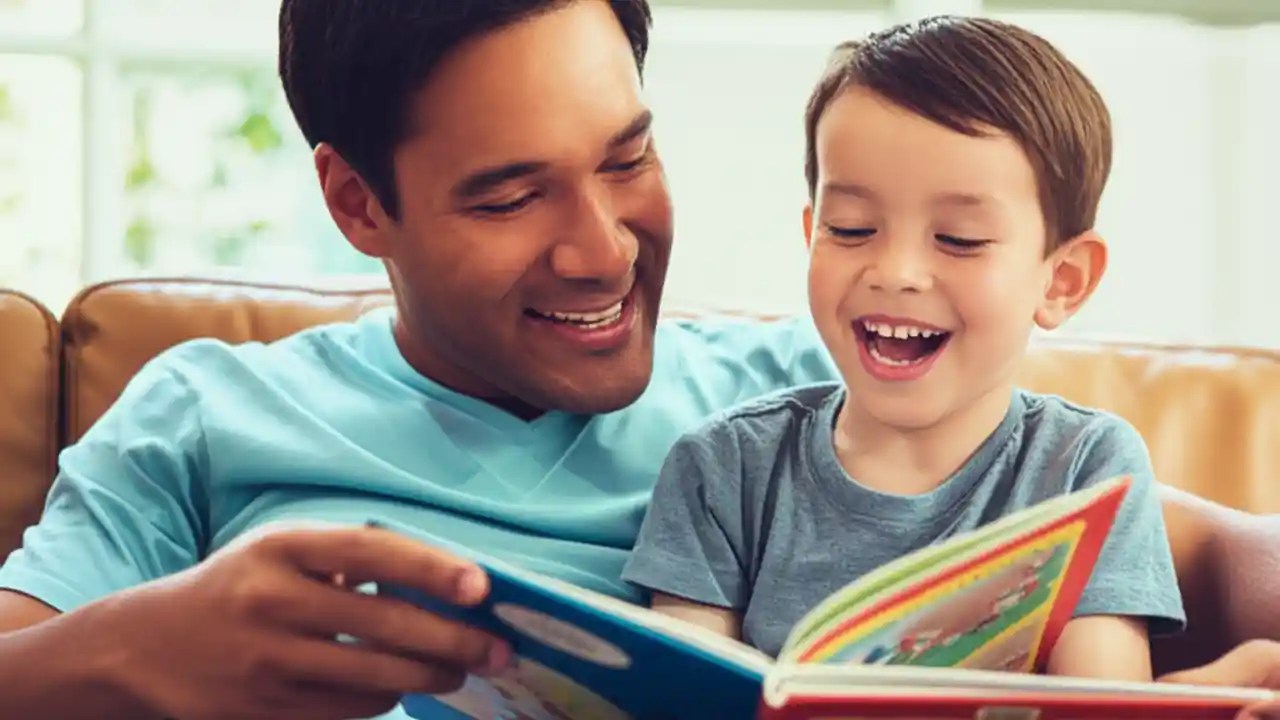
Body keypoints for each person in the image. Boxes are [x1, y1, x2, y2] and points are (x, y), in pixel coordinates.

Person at [0, 1, 1271, 718]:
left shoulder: (805, 395)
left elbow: (1171, 539)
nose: (601, 251)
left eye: (627, 160)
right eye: (510, 198)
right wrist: (148, 646)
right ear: (356, 202)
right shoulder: (204, 411)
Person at [622, 16, 1183, 680]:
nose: (895, 272)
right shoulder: (724, 469)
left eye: (959, 239)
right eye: (851, 228)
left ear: (1062, 280)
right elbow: (683, 692)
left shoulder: (1087, 470)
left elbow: (1105, 696)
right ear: (811, 233)